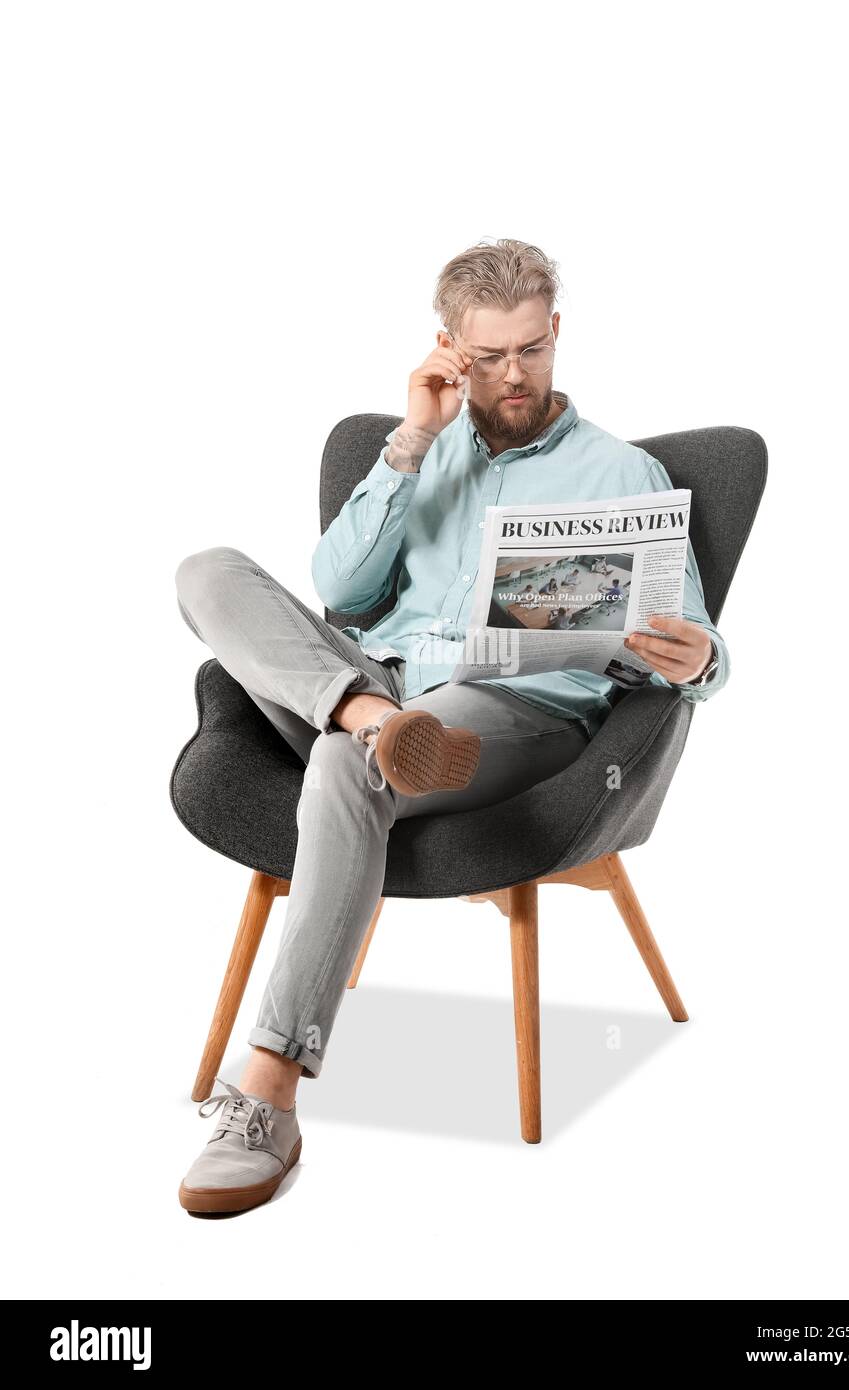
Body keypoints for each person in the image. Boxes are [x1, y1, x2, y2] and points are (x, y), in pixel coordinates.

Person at [174, 237, 730, 1216]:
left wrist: (701, 659)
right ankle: (370, 717)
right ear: (448, 350)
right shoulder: (422, 447)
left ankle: (266, 1094)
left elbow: (685, 638)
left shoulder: (620, 470)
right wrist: (408, 444)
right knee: (206, 572)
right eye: (488, 357)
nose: (513, 375)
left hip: (511, 712)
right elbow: (339, 588)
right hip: (374, 682)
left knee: (349, 771)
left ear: (556, 332)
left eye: (530, 349)